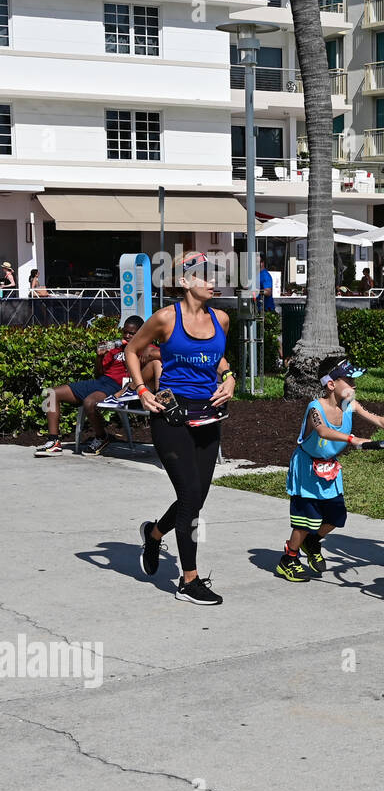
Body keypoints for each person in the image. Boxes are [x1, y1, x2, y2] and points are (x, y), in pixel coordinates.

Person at [125, 251, 237, 606]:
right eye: (203, 275)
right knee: (190, 496)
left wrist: (230, 376)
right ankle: (188, 580)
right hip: (171, 417)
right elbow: (132, 350)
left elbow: (216, 356)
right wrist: (142, 390)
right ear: (185, 282)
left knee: (197, 499)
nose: (212, 281)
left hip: (208, 416)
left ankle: (155, 534)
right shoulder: (164, 319)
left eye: (214, 274)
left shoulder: (221, 318)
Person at [276, 356, 384, 582]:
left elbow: (380, 420)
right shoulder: (315, 408)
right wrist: (352, 439)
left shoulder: (349, 405)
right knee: (306, 520)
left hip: (329, 468)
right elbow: (323, 432)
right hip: (307, 469)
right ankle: (289, 558)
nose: (354, 385)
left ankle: (312, 542)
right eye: (349, 380)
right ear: (331, 384)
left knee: (336, 516)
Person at [34, 316, 161, 456]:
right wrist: (99, 357)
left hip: (119, 386)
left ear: (141, 333)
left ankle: (101, 437)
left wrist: (146, 350)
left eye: (132, 333)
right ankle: (54, 441)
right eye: (125, 332)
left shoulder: (147, 349)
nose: (127, 336)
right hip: (102, 382)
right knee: (51, 393)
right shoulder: (114, 349)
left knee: (90, 402)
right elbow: (99, 374)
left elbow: (160, 360)